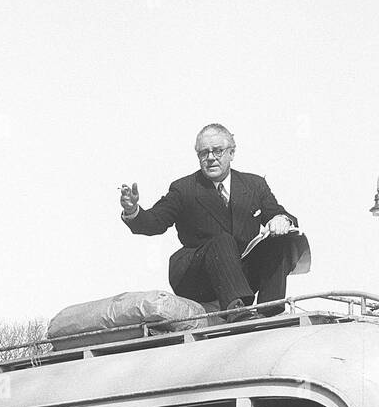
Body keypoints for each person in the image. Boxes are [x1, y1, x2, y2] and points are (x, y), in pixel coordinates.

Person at [119, 123, 308, 318]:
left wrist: (280, 220)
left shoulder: (254, 185)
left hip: (241, 273)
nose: (210, 158)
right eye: (204, 153)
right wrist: (133, 210)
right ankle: (237, 312)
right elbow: (154, 222)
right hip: (197, 277)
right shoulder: (183, 189)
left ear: (232, 153)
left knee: (280, 238)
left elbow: (276, 212)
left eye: (217, 151)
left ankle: (270, 311)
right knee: (223, 240)